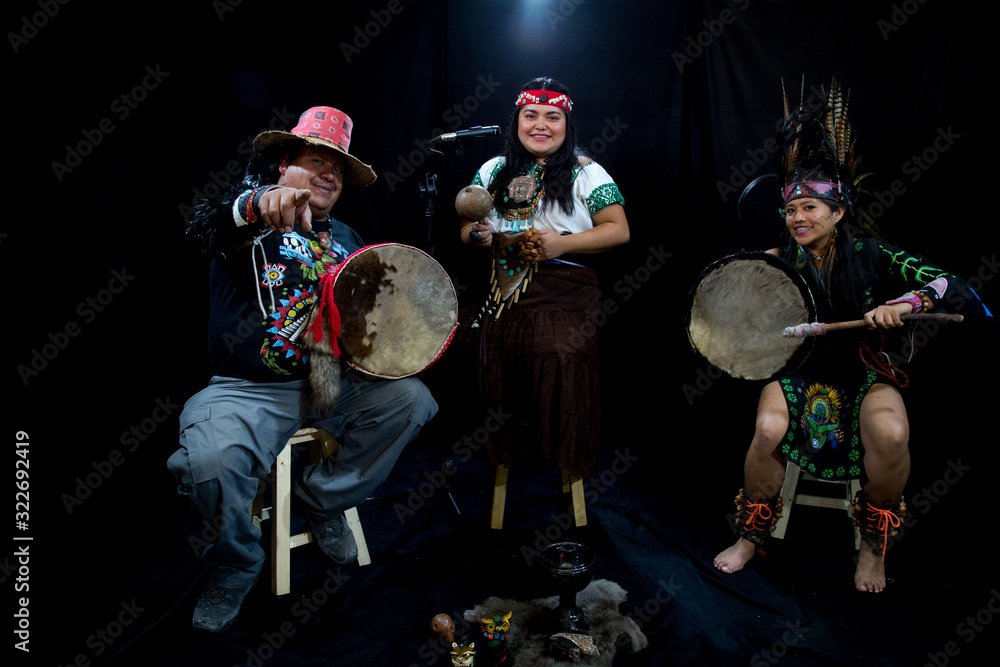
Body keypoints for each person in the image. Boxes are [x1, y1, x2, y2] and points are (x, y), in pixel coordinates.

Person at [712, 81, 991, 592]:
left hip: (865, 372)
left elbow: (950, 282)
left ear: (838, 213)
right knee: (768, 432)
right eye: (791, 210)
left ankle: (872, 545)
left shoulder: (873, 256)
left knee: (892, 435)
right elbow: (731, 311)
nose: (798, 218)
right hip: (797, 372)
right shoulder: (775, 264)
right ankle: (751, 537)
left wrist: (906, 304)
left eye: (811, 209)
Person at [168, 106, 438, 632]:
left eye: (337, 169)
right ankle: (235, 566)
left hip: (333, 382)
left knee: (413, 401)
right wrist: (256, 203)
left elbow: (370, 321)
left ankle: (320, 500)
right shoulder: (246, 220)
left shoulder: (350, 238)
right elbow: (212, 222)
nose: (329, 175)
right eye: (316, 161)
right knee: (209, 462)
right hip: (247, 390)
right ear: (283, 165)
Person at [451, 77, 629, 485]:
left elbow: (619, 230)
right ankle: (496, 451)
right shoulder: (492, 170)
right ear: (517, 120)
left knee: (555, 350)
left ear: (567, 124)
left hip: (562, 288)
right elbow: (467, 223)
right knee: (465, 342)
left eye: (553, 116)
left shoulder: (588, 172)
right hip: (497, 285)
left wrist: (562, 245)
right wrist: (474, 235)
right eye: (530, 115)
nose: (540, 125)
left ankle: (557, 454)